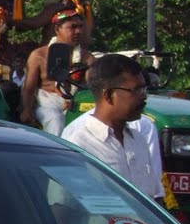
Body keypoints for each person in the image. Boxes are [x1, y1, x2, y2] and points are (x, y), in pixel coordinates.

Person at [60, 53, 164, 199]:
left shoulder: (138, 140)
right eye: (136, 90)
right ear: (108, 95)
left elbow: (154, 200)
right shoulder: (77, 143)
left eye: (144, 89)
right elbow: (65, 205)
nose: (144, 96)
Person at [21, 6, 89, 135]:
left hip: (76, 104)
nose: (78, 31)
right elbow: (28, 88)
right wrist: (26, 110)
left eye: (80, 27)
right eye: (73, 27)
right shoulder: (39, 55)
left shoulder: (87, 58)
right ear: (57, 29)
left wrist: (75, 101)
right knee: (55, 120)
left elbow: (92, 86)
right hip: (46, 104)